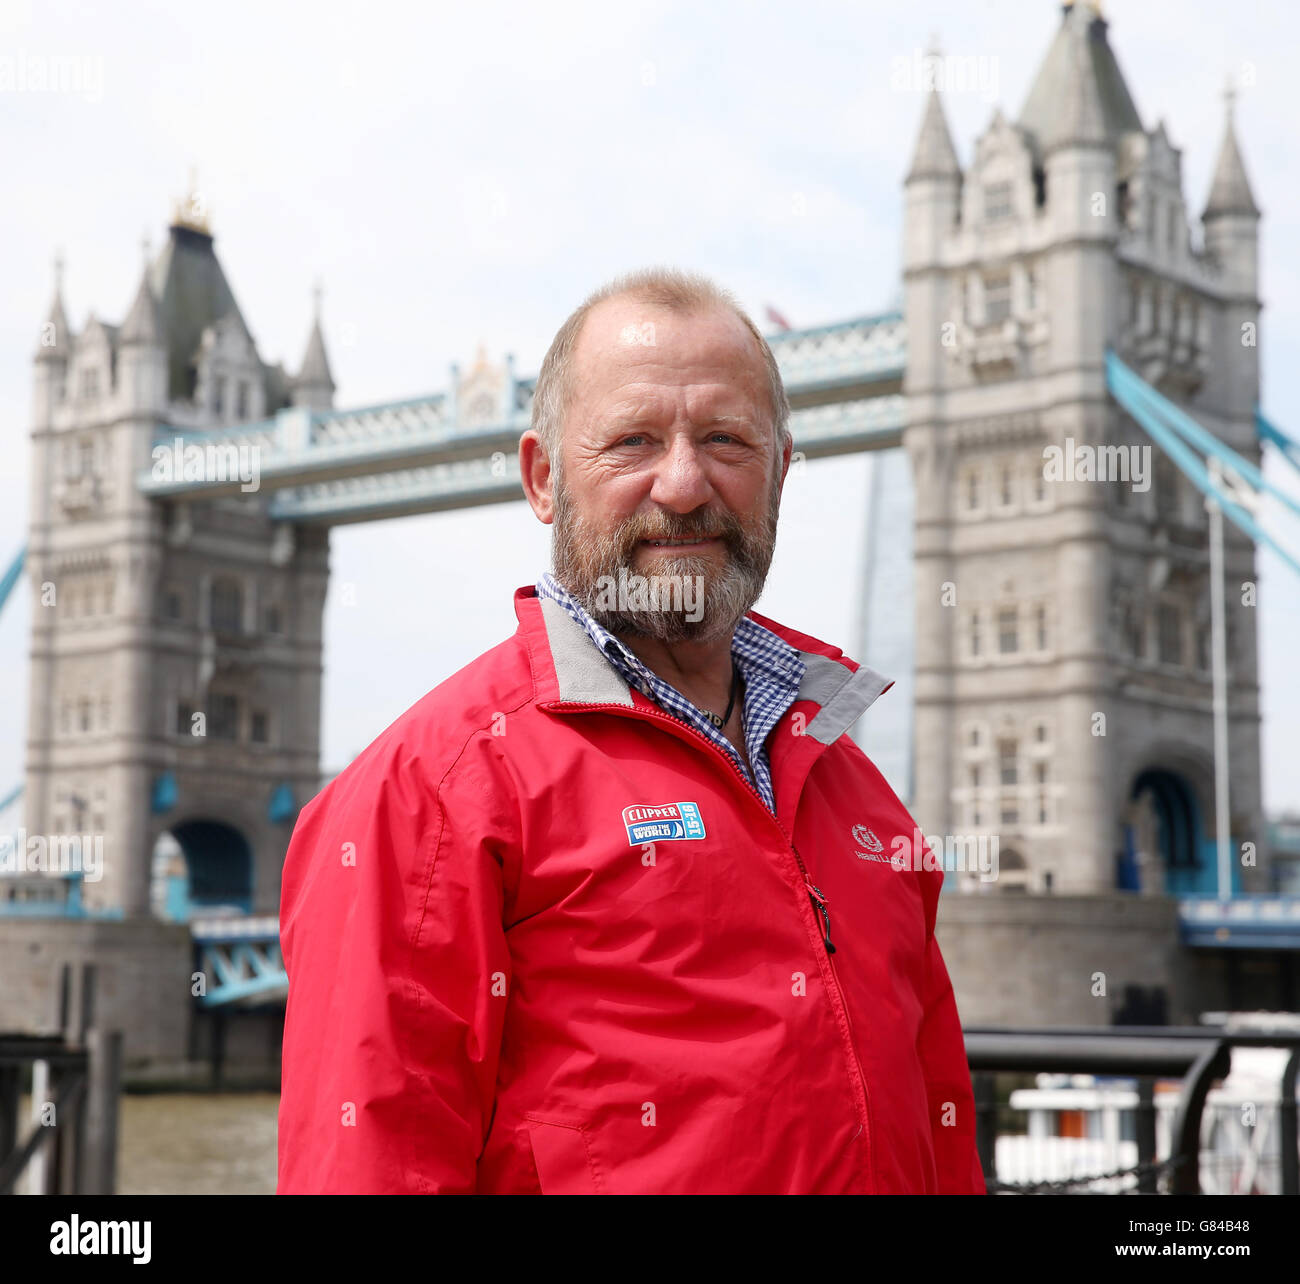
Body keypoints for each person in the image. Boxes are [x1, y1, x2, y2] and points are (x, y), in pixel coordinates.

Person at [276, 267, 985, 1195]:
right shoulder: (425, 795)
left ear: (781, 470)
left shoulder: (858, 791)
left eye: (728, 439)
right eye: (632, 442)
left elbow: (941, 1134)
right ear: (543, 479)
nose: (685, 485)